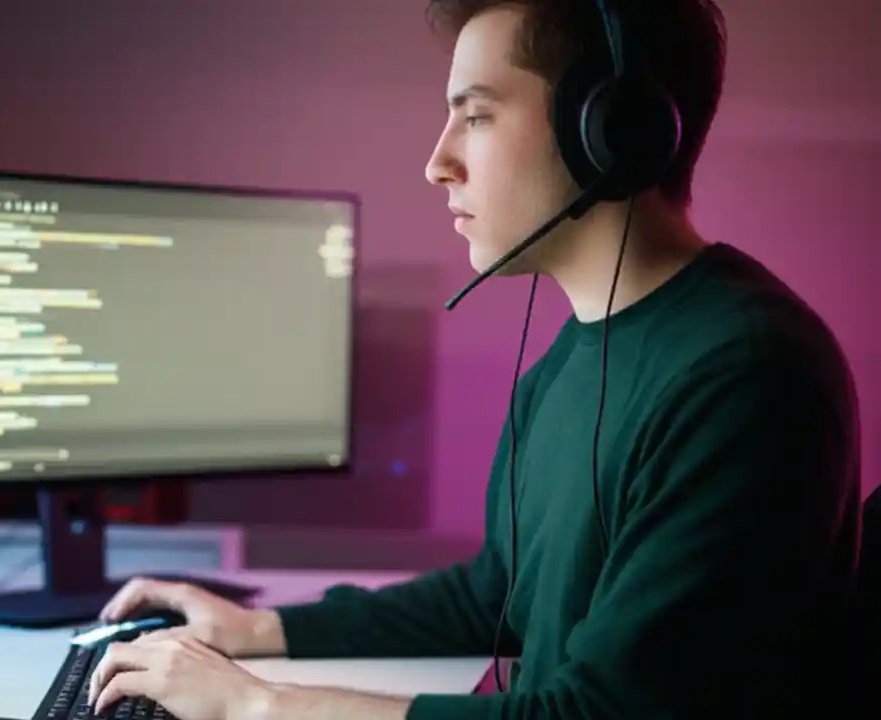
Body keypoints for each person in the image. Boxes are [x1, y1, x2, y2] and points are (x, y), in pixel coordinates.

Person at [86, 1, 864, 718]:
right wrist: (258, 630)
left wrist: (254, 706)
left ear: (610, 129)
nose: (438, 162)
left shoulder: (747, 379)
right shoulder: (567, 364)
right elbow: (494, 594)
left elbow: (599, 716)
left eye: (478, 115)